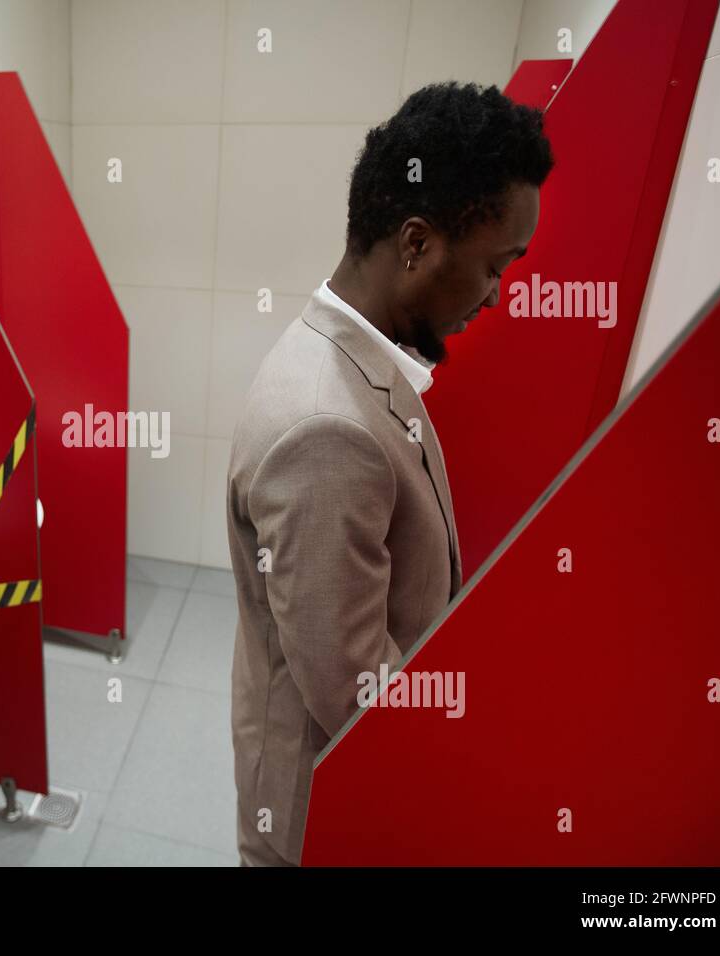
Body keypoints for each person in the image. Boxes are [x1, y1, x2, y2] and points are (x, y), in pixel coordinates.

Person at [227, 81, 555, 867]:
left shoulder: (348, 358)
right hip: (318, 815)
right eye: (494, 267)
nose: (495, 295)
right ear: (416, 244)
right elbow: (354, 691)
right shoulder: (328, 428)